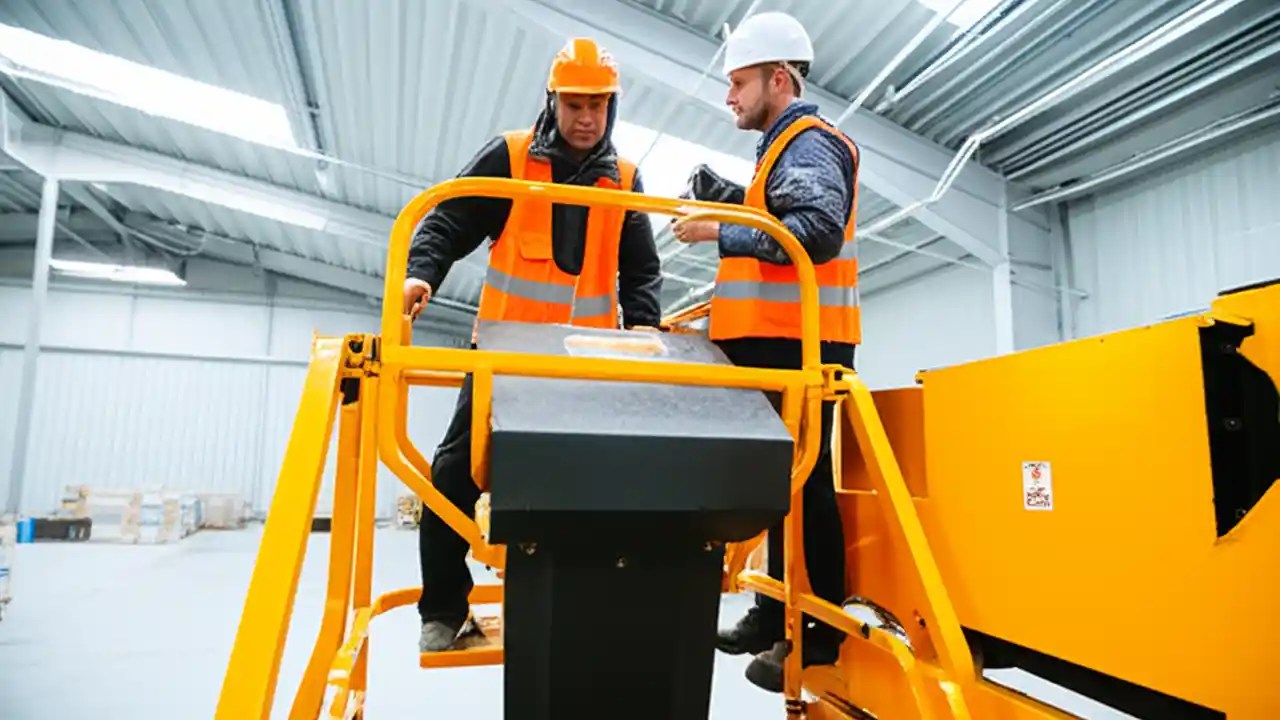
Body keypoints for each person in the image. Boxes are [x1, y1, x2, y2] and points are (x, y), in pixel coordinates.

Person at [403, 37, 662, 653]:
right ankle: (442, 609)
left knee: (593, 486)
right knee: (452, 476)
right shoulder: (511, 156)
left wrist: (646, 327)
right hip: (502, 357)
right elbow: (447, 219)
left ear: (612, 108)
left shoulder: (624, 179)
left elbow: (641, 269)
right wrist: (421, 272)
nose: (586, 118)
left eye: (598, 105)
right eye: (574, 103)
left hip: (586, 367)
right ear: (553, 100)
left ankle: (585, 601)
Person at [671, 11, 860, 694]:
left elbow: (812, 233)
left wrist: (719, 228)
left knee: (806, 485)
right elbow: (777, 212)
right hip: (779, 344)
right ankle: (772, 609)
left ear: (778, 79)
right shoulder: (782, 149)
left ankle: (817, 630)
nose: (729, 97)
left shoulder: (809, 144)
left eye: (739, 82)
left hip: (804, 345)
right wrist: (730, 197)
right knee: (780, 483)